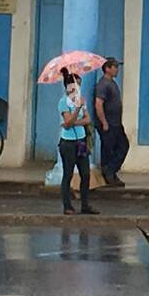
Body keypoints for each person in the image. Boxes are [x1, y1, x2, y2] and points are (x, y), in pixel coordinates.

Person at [58, 70, 99, 215]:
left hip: (80, 141)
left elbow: (87, 119)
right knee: (68, 174)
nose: (78, 89)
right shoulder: (63, 102)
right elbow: (67, 122)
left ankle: (85, 204)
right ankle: (67, 206)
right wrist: (77, 109)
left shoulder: (81, 99)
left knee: (85, 174)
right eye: (76, 86)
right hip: (68, 143)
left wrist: (75, 122)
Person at [94, 57, 128, 187]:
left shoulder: (112, 83)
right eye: (114, 66)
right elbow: (98, 104)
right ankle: (108, 172)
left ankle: (111, 171)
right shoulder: (103, 84)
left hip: (116, 123)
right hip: (109, 124)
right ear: (107, 68)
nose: (117, 69)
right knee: (110, 149)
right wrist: (104, 122)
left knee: (121, 146)